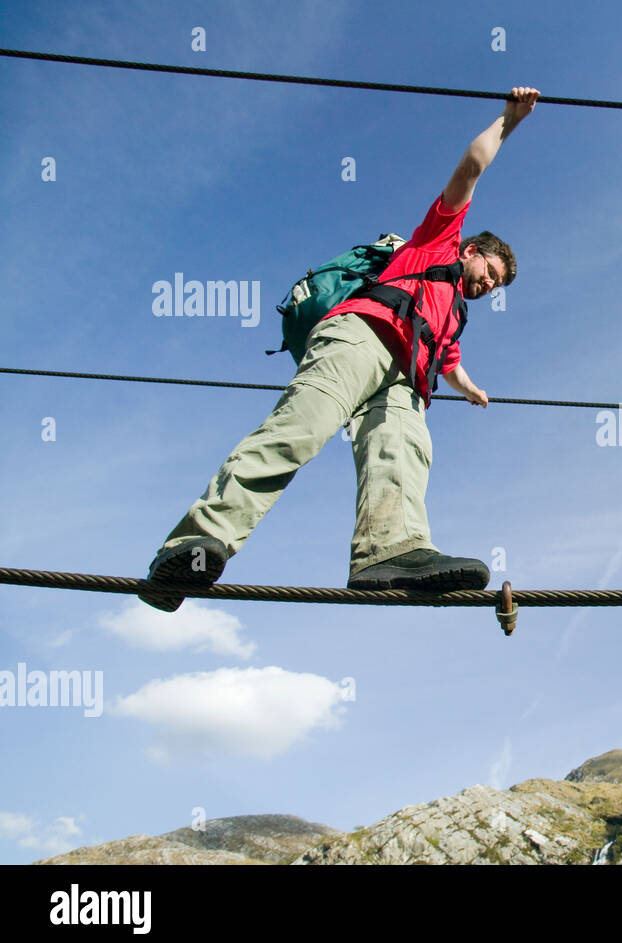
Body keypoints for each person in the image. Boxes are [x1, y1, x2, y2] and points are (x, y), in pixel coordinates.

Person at [139, 87, 541, 612]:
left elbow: (450, 365)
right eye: (490, 273)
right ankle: (194, 545)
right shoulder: (436, 242)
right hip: (362, 337)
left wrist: (471, 390)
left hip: (406, 384)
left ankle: (388, 551)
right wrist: (508, 122)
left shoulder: (452, 315)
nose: (489, 286)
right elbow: (471, 166)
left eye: (496, 286)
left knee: (404, 457)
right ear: (470, 251)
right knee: (298, 430)